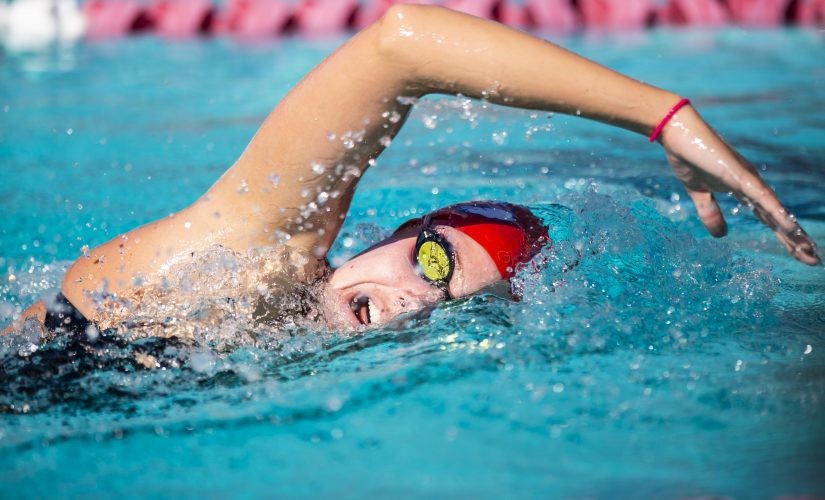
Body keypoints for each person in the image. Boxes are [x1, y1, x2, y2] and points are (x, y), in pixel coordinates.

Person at [5, 4, 820, 338]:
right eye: (434, 262)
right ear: (392, 236)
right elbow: (397, 45)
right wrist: (661, 116)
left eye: (448, 310)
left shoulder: (295, 360)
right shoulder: (253, 251)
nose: (414, 304)